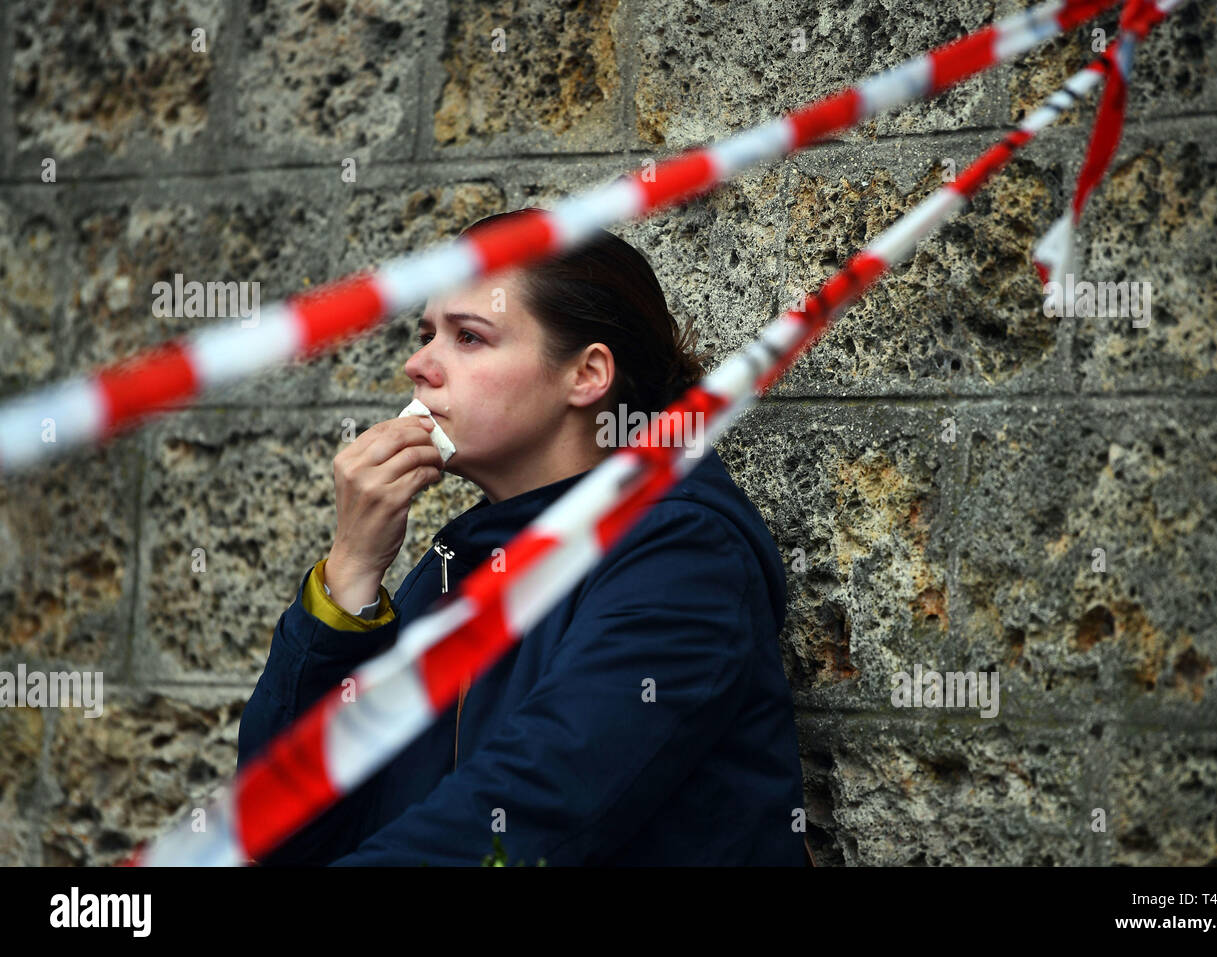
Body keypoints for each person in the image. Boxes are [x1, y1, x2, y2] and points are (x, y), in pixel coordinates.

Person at [236, 209, 812, 866]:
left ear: (587, 375)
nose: (417, 363)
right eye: (426, 333)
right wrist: (351, 573)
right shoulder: (462, 563)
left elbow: (528, 807)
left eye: (469, 337)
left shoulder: (684, 553)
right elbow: (279, 825)